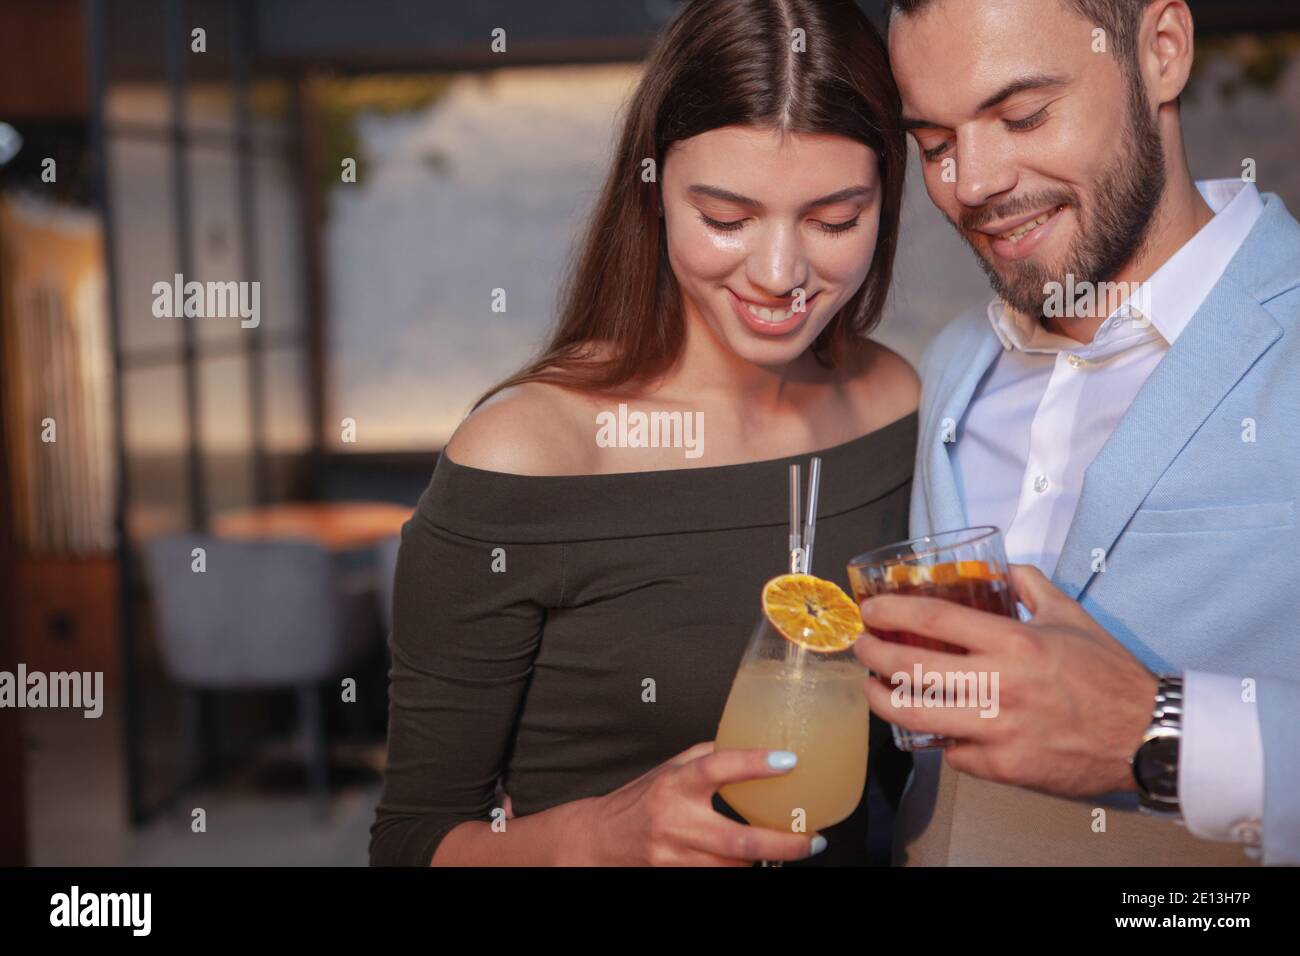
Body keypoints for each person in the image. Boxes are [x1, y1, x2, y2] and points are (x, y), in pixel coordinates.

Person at [370, 0, 920, 866]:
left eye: (835, 220)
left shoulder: (893, 404)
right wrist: (595, 837)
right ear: (654, 189)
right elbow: (411, 841)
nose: (781, 276)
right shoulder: (528, 454)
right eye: (727, 218)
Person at [855, 0, 1300, 865]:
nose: (972, 182)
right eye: (935, 144)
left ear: (1162, 52)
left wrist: (1150, 730)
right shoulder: (951, 366)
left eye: (1023, 115)